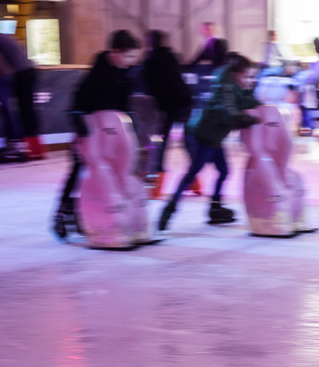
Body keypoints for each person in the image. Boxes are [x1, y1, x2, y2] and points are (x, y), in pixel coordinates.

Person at [53, 30, 142, 240]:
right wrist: (78, 122)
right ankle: (62, 210)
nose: (130, 62)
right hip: (91, 133)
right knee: (79, 170)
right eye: (127, 56)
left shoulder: (124, 74)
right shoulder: (98, 72)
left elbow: (125, 103)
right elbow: (79, 99)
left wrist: (131, 124)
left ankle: (94, 211)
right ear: (115, 51)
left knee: (110, 172)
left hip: (113, 133)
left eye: (133, 58)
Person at [158, 53, 261, 231]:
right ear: (236, 74)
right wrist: (250, 120)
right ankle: (169, 209)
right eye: (246, 76)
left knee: (224, 170)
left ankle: (215, 207)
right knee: (192, 175)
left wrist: (257, 100)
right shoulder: (225, 89)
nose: (247, 80)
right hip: (199, 137)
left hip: (212, 137)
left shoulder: (233, 87)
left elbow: (244, 100)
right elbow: (228, 114)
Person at [139, 30, 194, 199]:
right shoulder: (172, 56)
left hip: (169, 106)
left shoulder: (149, 61)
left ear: (149, 42)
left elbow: (144, 82)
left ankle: (156, 185)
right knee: (187, 143)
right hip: (185, 101)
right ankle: (194, 178)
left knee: (160, 144)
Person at [0, 20, 43, 161]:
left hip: (20, 74)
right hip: (29, 70)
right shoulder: (4, 36)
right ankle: (36, 150)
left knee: (20, 111)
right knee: (27, 111)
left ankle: (22, 148)